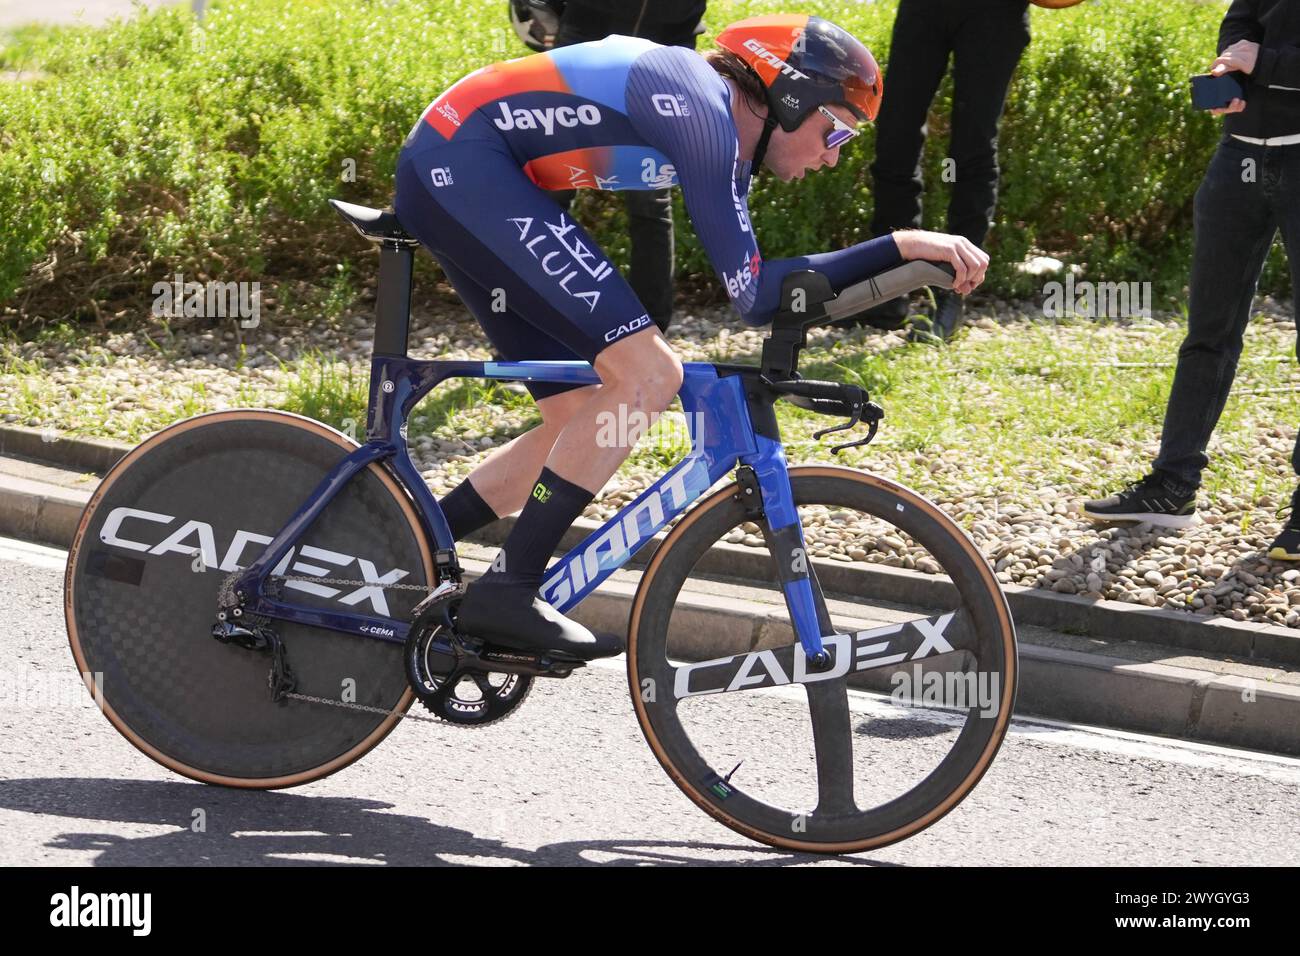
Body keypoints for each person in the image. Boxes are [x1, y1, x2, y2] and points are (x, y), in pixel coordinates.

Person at [393, 14, 989, 658]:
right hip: (463, 164)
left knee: (576, 419)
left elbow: (761, 290)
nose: (833, 155)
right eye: (835, 129)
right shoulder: (702, 110)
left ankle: (401, 549)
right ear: (791, 96)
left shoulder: (715, 122)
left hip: (463, 167)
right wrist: (899, 246)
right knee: (651, 375)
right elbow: (754, 294)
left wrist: (888, 269)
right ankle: (506, 592)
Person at [1082, 0, 1299, 559]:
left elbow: (1264, 50)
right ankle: (1173, 486)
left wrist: (1267, 61)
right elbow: (1243, 18)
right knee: (1208, 331)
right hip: (1239, 158)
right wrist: (1233, 65)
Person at [841, 0, 1031, 342]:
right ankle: (886, 292)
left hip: (996, 12)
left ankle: (953, 293)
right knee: (895, 138)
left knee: (971, 149)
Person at [546, 1, 708, 333]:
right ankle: (535, 328)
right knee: (551, 190)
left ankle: (651, 336)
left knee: (648, 198)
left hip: (660, 50)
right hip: (589, 42)